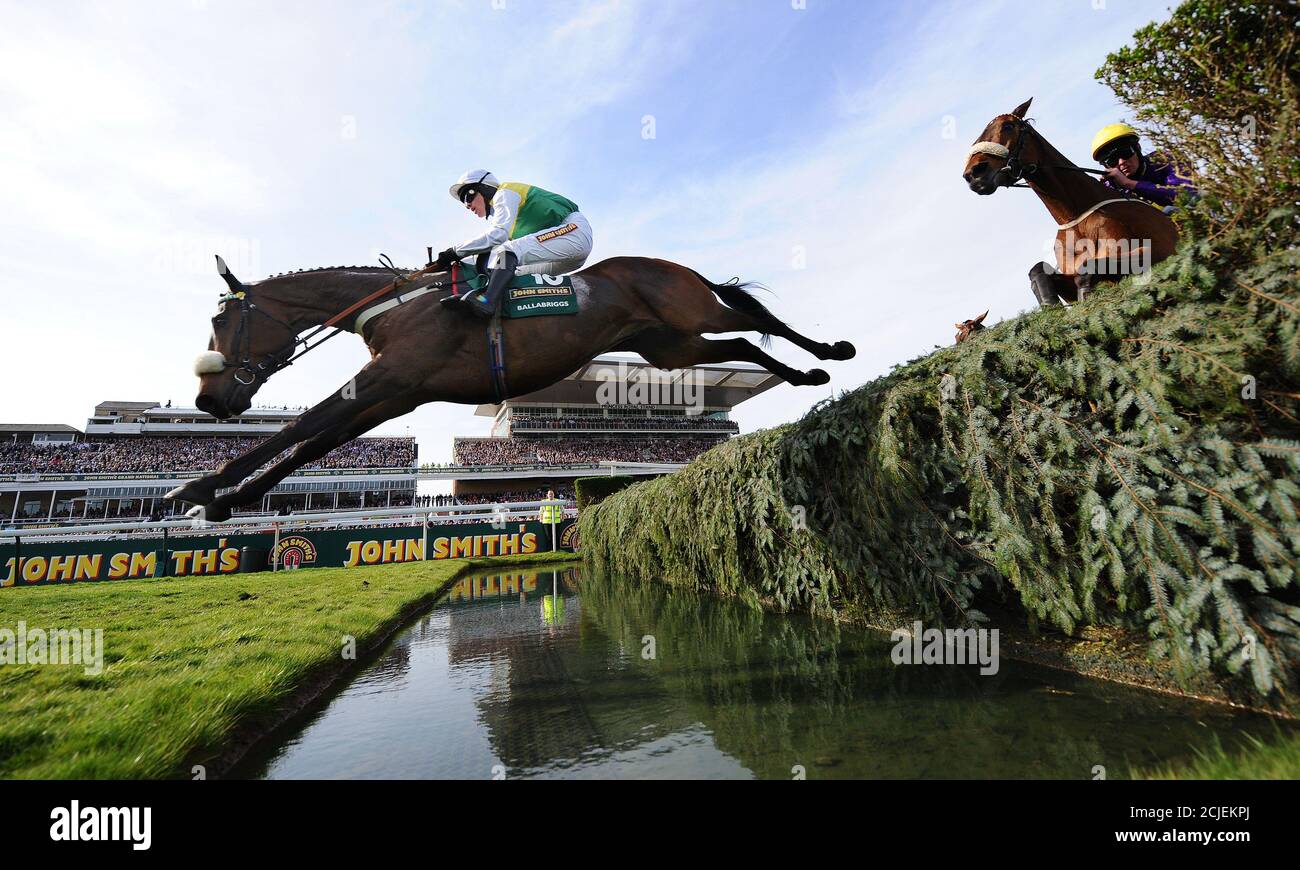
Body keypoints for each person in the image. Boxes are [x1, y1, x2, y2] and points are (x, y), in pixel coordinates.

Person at [433, 170, 593, 318]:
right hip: (562, 254)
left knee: (508, 250)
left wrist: (453, 252)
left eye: (468, 197)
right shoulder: (509, 221)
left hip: (575, 230)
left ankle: (487, 302)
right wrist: (457, 262)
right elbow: (492, 252)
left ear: (484, 188)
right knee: (508, 272)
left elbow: (497, 236)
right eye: (463, 202)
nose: (467, 205)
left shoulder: (504, 192)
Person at [1090, 124, 1198, 213]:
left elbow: (1186, 195)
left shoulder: (1166, 158)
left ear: (1138, 148)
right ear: (1106, 166)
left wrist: (1129, 183)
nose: (1121, 162)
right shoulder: (1110, 185)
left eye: (1125, 153)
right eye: (1112, 161)